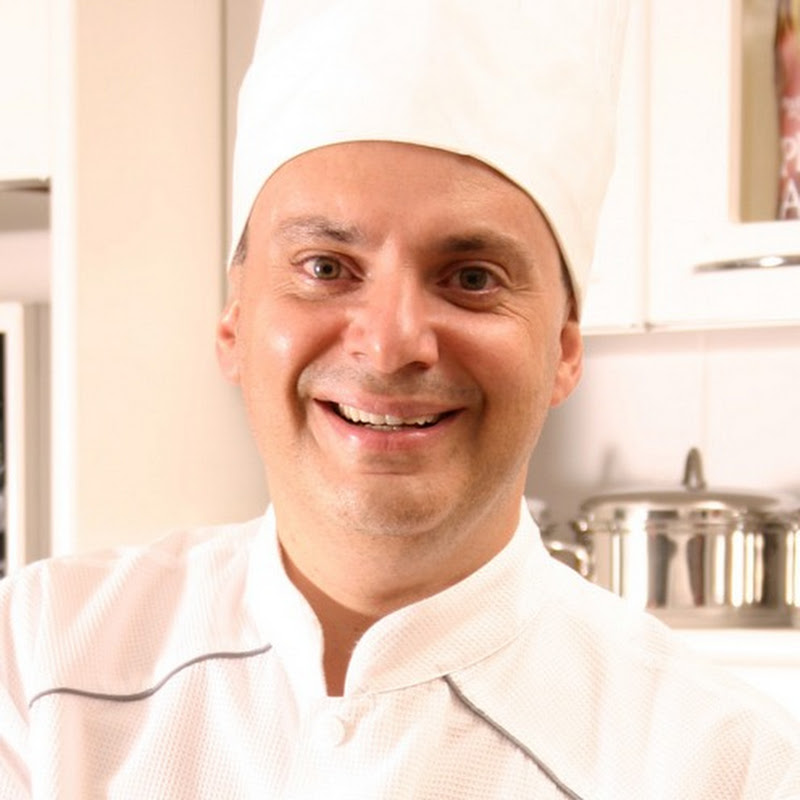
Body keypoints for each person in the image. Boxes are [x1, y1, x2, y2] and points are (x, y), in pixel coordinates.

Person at [2, 1, 800, 797]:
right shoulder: (40, 664)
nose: (389, 344)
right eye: (325, 267)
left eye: (472, 278)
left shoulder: (722, 768)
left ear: (563, 348)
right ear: (235, 323)